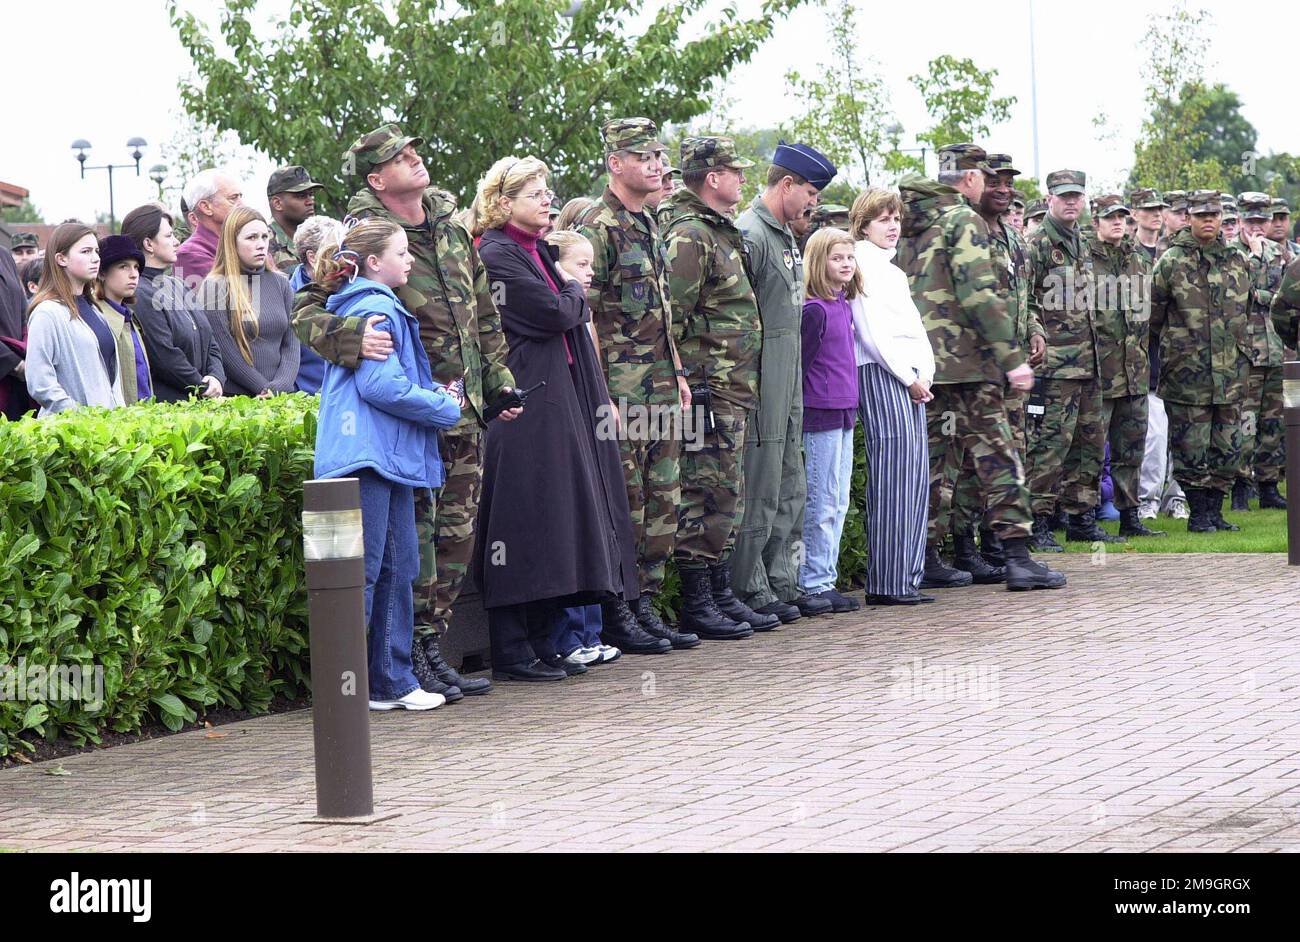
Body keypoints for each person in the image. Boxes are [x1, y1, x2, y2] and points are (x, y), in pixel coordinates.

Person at [293, 124, 517, 695]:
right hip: (404, 419)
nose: (416, 160)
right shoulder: (361, 235)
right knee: (406, 548)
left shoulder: (448, 223)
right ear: (376, 178)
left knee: (456, 535)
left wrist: (499, 384)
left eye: (414, 150)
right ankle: (404, 656)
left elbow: (483, 310)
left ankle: (428, 643)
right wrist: (349, 338)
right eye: (401, 157)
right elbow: (307, 306)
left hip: (459, 410)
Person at [472, 155, 639, 681]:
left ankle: (546, 639)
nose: (547, 200)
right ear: (503, 203)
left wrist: (565, 288)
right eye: (534, 194)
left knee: (557, 521)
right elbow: (554, 313)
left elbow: (564, 307)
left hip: (558, 400)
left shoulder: (537, 250)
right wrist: (570, 288)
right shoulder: (496, 252)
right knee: (523, 520)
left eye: (548, 192)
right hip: (526, 403)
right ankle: (513, 647)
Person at [896, 144, 1064, 591]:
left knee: (932, 465)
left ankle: (926, 556)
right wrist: (1012, 360)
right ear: (971, 179)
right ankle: (1017, 557)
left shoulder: (911, 224)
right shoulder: (962, 220)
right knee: (999, 457)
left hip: (925, 366)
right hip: (970, 364)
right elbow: (979, 295)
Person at [313, 219, 464, 710]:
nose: (411, 260)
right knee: (373, 571)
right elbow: (381, 387)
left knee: (393, 566)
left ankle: (382, 683)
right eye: (402, 252)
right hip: (369, 459)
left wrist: (430, 395)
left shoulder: (367, 305)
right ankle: (373, 686)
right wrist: (444, 407)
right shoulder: (377, 307)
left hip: (379, 457)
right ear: (373, 262)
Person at [576, 117, 693, 654]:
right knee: (627, 501)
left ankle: (647, 602)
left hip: (663, 385)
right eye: (642, 156)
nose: (655, 164)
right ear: (614, 163)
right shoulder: (598, 229)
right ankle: (618, 608)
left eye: (658, 156)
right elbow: (586, 315)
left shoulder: (653, 224)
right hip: (621, 392)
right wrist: (601, 390)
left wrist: (680, 375)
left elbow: (665, 314)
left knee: (664, 498)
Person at [663, 136, 776, 639]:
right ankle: (697, 599)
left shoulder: (719, 232)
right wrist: (690, 381)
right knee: (702, 491)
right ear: (712, 178)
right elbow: (675, 319)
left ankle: (718, 589)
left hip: (732, 387)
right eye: (735, 171)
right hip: (707, 389)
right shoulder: (690, 235)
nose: (743, 179)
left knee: (726, 491)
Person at [733, 141, 840, 619]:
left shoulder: (783, 237)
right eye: (810, 192)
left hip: (789, 375)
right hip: (762, 377)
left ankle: (782, 579)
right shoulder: (751, 234)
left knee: (789, 483)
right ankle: (749, 586)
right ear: (787, 184)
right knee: (760, 483)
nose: (813, 203)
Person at [948, 152, 1045, 578]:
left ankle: (998, 544)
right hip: (978, 365)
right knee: (971, 460)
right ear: (977, 183)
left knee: (1010, 455)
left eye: (1009, 183)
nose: (1003, 190)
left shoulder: (1012, 236)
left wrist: (1035, 330)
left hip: (1013, 364)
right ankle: (963, 547)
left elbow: (1027, 294)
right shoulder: (965, 230)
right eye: (995, 182)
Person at [1024, 169, 1119, 549]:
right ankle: (1038, 522)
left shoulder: (1081, 240)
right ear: (1049, 199)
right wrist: (1035, 333)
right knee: (1050, 445)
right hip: (1056, 365)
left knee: (1089, 445)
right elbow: (1026, 297)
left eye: (1076, 196)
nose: (1071, 202)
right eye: (1064, 196)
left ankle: (1081, 517)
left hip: (1090, 361)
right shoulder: (1039, 244)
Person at [850, 187, 934, 605]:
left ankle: (907, 576)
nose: (893, 226)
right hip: (883, 374)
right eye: (884, 219)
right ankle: (887, 581)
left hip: (911, 379)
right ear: (863, 224)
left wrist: (926, 372)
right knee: (894, 477)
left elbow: (914, 329)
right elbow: (871, 333)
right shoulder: (860, 263)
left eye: (896, 218)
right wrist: (907, 376)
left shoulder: (893, 270)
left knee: (915, 475)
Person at [544, 227, 623, 669]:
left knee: (597, 515)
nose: (589, 274)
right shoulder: (563, 305)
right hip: (564, 413)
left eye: (592, 265)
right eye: (580, 264)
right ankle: (568, 635)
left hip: (589, 409)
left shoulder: (581, 306)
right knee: (573, 522)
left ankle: (590, 630)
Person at [1150, 190, 1252, 532]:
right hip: (1187, 375)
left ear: (1222, 218)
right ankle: (1198, 514)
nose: (1208, 220)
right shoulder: (1171, 262)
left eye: (1214, 215)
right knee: (1191, 448)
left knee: (1228, 446)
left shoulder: (1237, 259)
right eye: (1201, 215)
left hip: (1230, 373)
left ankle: (1216, 512)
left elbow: (1246, 312)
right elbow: (1152, 318)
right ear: (1189, 217)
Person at [1088, 194, 1162, 537]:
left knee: (1131, 448)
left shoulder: (1138, 259)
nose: (1117, 222)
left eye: (1121, 216)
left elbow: (1152, 312)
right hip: (1100, 373)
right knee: (1091, 452)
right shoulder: (1084, 259)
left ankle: (1130, 518)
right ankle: (1082, 520)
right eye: (1109, 217)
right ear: (1096, 221)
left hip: (1134, 371)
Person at [797, 227, 862, 612]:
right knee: (820, 499)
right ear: (820, 262)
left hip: (844, 410)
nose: (846, 264)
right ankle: (813, 582)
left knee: (838, 500)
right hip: (819, 411)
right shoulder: (814, 310)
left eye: (850, 258)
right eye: (837, 258)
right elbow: (801, 364)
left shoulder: (844, 305)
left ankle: (827, 577)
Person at [122, 204, 224, 403]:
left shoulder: (178, 285)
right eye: (169, 236)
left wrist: (216, 377)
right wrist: (202, 387)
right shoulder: (139, 292)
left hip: (201, 401)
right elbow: (164, 357)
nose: (177, 242)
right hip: (171, 410)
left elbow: (210, 341)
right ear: (149, 244)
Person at [24, 223, 125, 415]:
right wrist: (79, 417)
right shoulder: (47, 312)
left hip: (107, 432)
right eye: (86, 251)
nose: (95, 258)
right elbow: (40, 382)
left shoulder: (95, 309)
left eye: (96, 251)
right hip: (73, 435)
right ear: (61, 258)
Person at [200, 207, 299, 397]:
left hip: (283, 397)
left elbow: (291, 344)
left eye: (264, 237)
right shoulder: (215, 286)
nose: (261, 244)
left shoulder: (281, 283)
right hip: (237, 402)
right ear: (232, 242)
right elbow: (225, 352)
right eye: (251, 237)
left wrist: (279, 388)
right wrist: (263, 388)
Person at [1232, 193, 1287, 511]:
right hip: (1247, 352)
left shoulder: (1279, 252)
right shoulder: (1233, 253)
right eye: (1250, 221)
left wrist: (1262, 294)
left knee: (1273, 422)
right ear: (1239, 221)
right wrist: (1253, 259)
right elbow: (1239, 294)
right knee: (1246, 422)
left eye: (1261, 221)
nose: (1256, 227)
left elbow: (1283, 295)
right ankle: (1241, 485)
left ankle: (1268, 486)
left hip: (1274, 349)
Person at [286, 215, 346, 394]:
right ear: (312, 257)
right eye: (338, 250)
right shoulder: (286, 299)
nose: (345, 258)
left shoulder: (350, 287)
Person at [93, 235, 153, 404]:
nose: (134, 274)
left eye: (136, 267)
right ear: (102, 273)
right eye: (123, 267)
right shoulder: (96, 318)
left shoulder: (130, 317)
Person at [175, 169, 243, 284]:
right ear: (206, 207)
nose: (242, 205)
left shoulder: (244, 241)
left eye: (241, 197)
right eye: (233, 198)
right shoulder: (190, 255)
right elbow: (228, 297)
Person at [267, 165, 324, 272]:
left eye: (311, 194)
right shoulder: (263, 242)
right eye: (301, 196)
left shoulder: (319, 238)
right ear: (277, 203)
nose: (310, 201)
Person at [1, 238, 30, 418]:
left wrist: (26, 351)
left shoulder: (4, 255)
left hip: (18, 383)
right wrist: (15, 364)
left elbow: (22, 308)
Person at [1128, 188, 1165, 262]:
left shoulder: (1171, 248)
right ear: (1134, 214)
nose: (1157, 214)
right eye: (1150, 208)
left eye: (1160, 208)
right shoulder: (1125, 251)